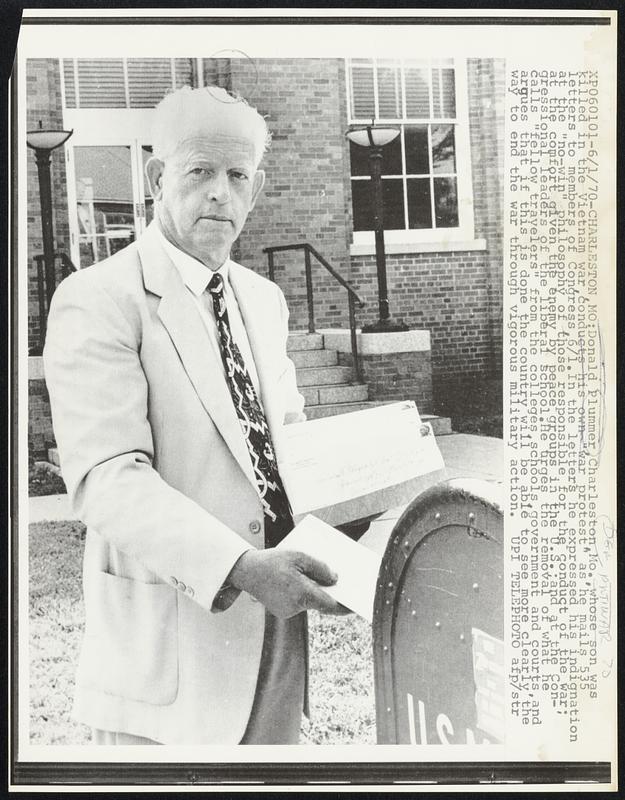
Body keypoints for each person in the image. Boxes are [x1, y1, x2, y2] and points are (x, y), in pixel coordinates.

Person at [43, 85, 349, 746]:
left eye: (237, 175)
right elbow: (108, 479)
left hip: (277, 639)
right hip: (169, 662)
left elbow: (284, 451)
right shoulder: (98, 299)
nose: (219, 193)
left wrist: (362, 500)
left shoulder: (263, 301)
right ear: (157, 179)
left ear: (257, 189)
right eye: (199, 171)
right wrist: (241, 566)